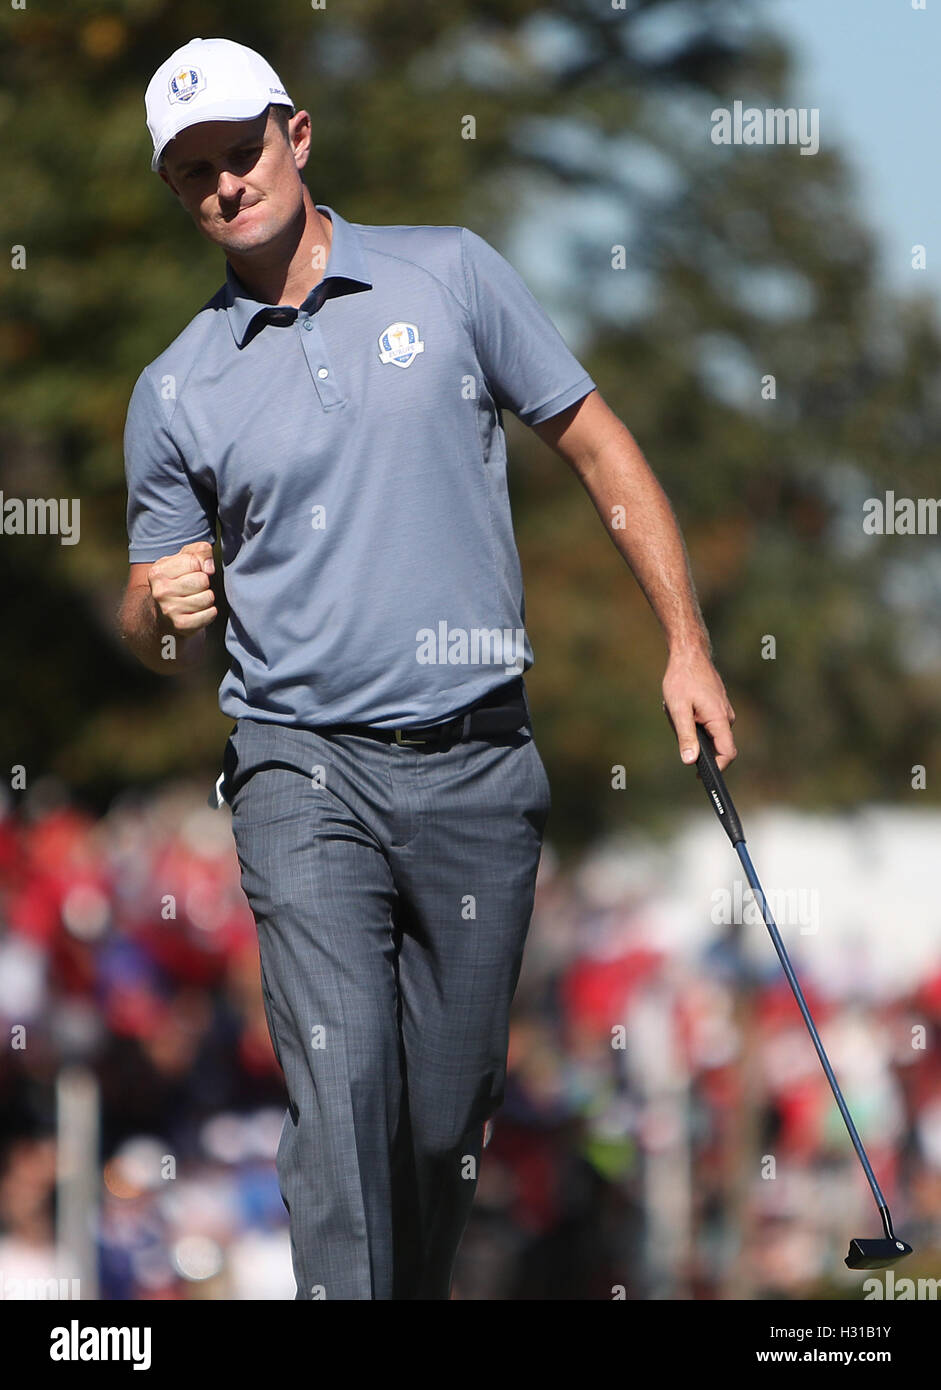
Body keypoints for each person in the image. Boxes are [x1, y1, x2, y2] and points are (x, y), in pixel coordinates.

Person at [117, 37, 736, 1301]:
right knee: (338, 1092)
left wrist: (686, 644)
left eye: (240, 152)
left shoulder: (448, 272)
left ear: (296, 136)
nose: (226, 186)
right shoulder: (174, 387)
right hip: (301, 770)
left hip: (477, 765)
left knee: (445, 1125)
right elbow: (154, 597)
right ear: (178, 195)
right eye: (194, 175)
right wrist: (151, 608)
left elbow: (596, 444)